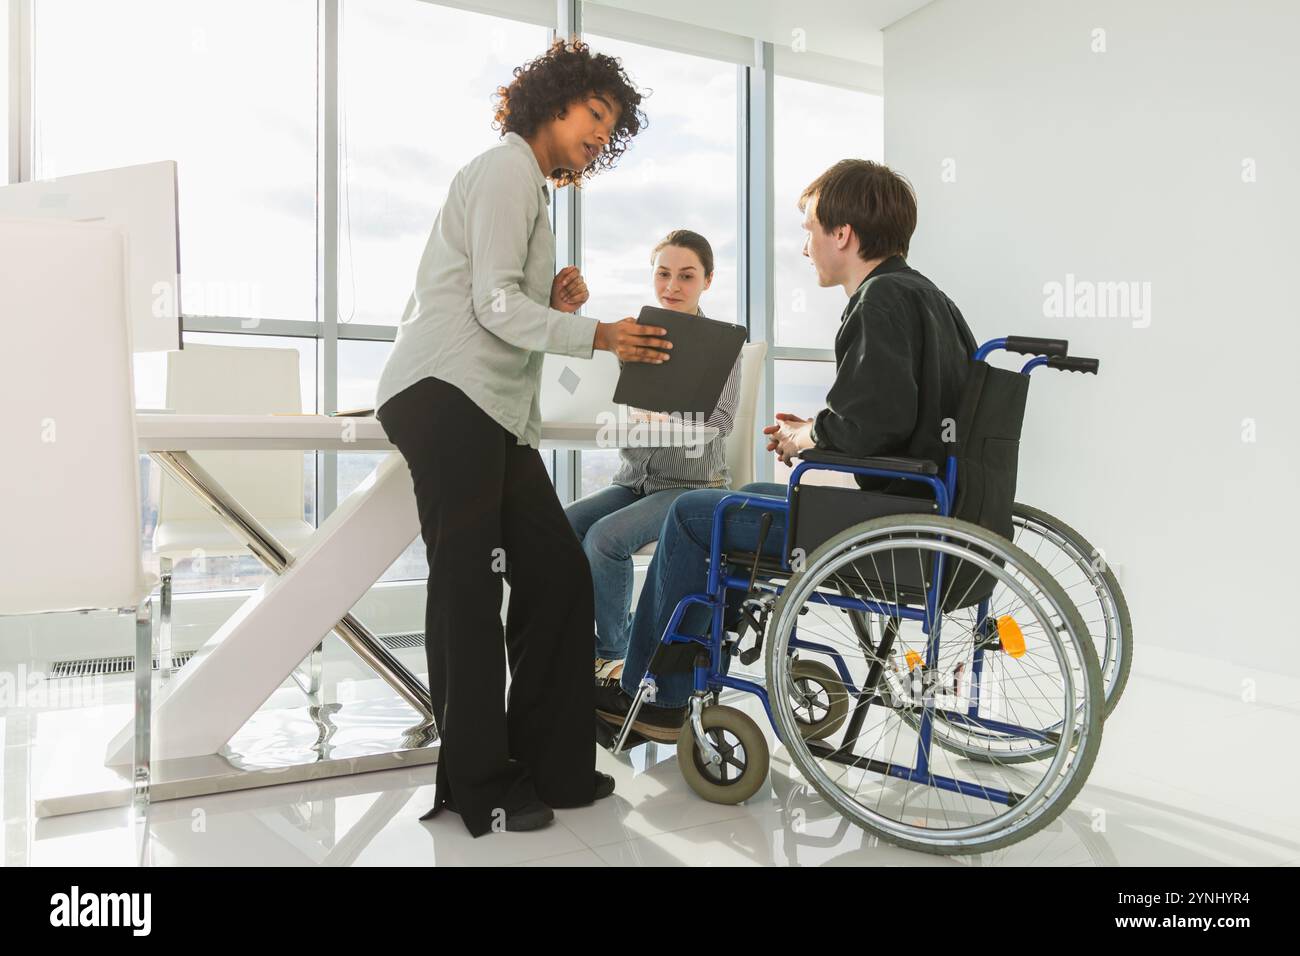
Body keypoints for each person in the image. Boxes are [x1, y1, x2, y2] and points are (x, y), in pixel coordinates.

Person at [374, 39, 668, 836]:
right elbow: (495, 310)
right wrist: (596, 333)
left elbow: (506, 301)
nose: (600, 138)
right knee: (468, 587)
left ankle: (553, 763)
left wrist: (558, 301)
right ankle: (482, 782)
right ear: (555, 101)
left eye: (611, 130)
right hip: (446, 393)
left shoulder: (529, 187)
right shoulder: (505, 169)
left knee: (559, 575)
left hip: (488, 408)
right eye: (595, 117)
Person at [595, 158, 979, 743]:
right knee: (743, 497)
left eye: (809, 229)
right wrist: (819, 429)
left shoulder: (877, 300)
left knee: (693, 513)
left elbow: (874, 425)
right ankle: (682, 666)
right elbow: (892, 417)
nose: (805, 247)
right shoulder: (929, 297)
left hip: (883, 524)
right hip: (927, 509)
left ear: (842, 235)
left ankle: (656, 693)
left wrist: (808, 437)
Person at [565, 230, 741, 683]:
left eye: (686, 276)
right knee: (561, 526)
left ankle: (612, 654)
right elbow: (605, 397)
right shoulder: (633, 337)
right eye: (663, 274)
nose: (672, 286)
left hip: (690, 487)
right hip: (633, 479)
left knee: (605, 539)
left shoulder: (720, 345)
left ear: (708, 280)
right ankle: (568, 643)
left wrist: (665, 418)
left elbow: (719, 422)